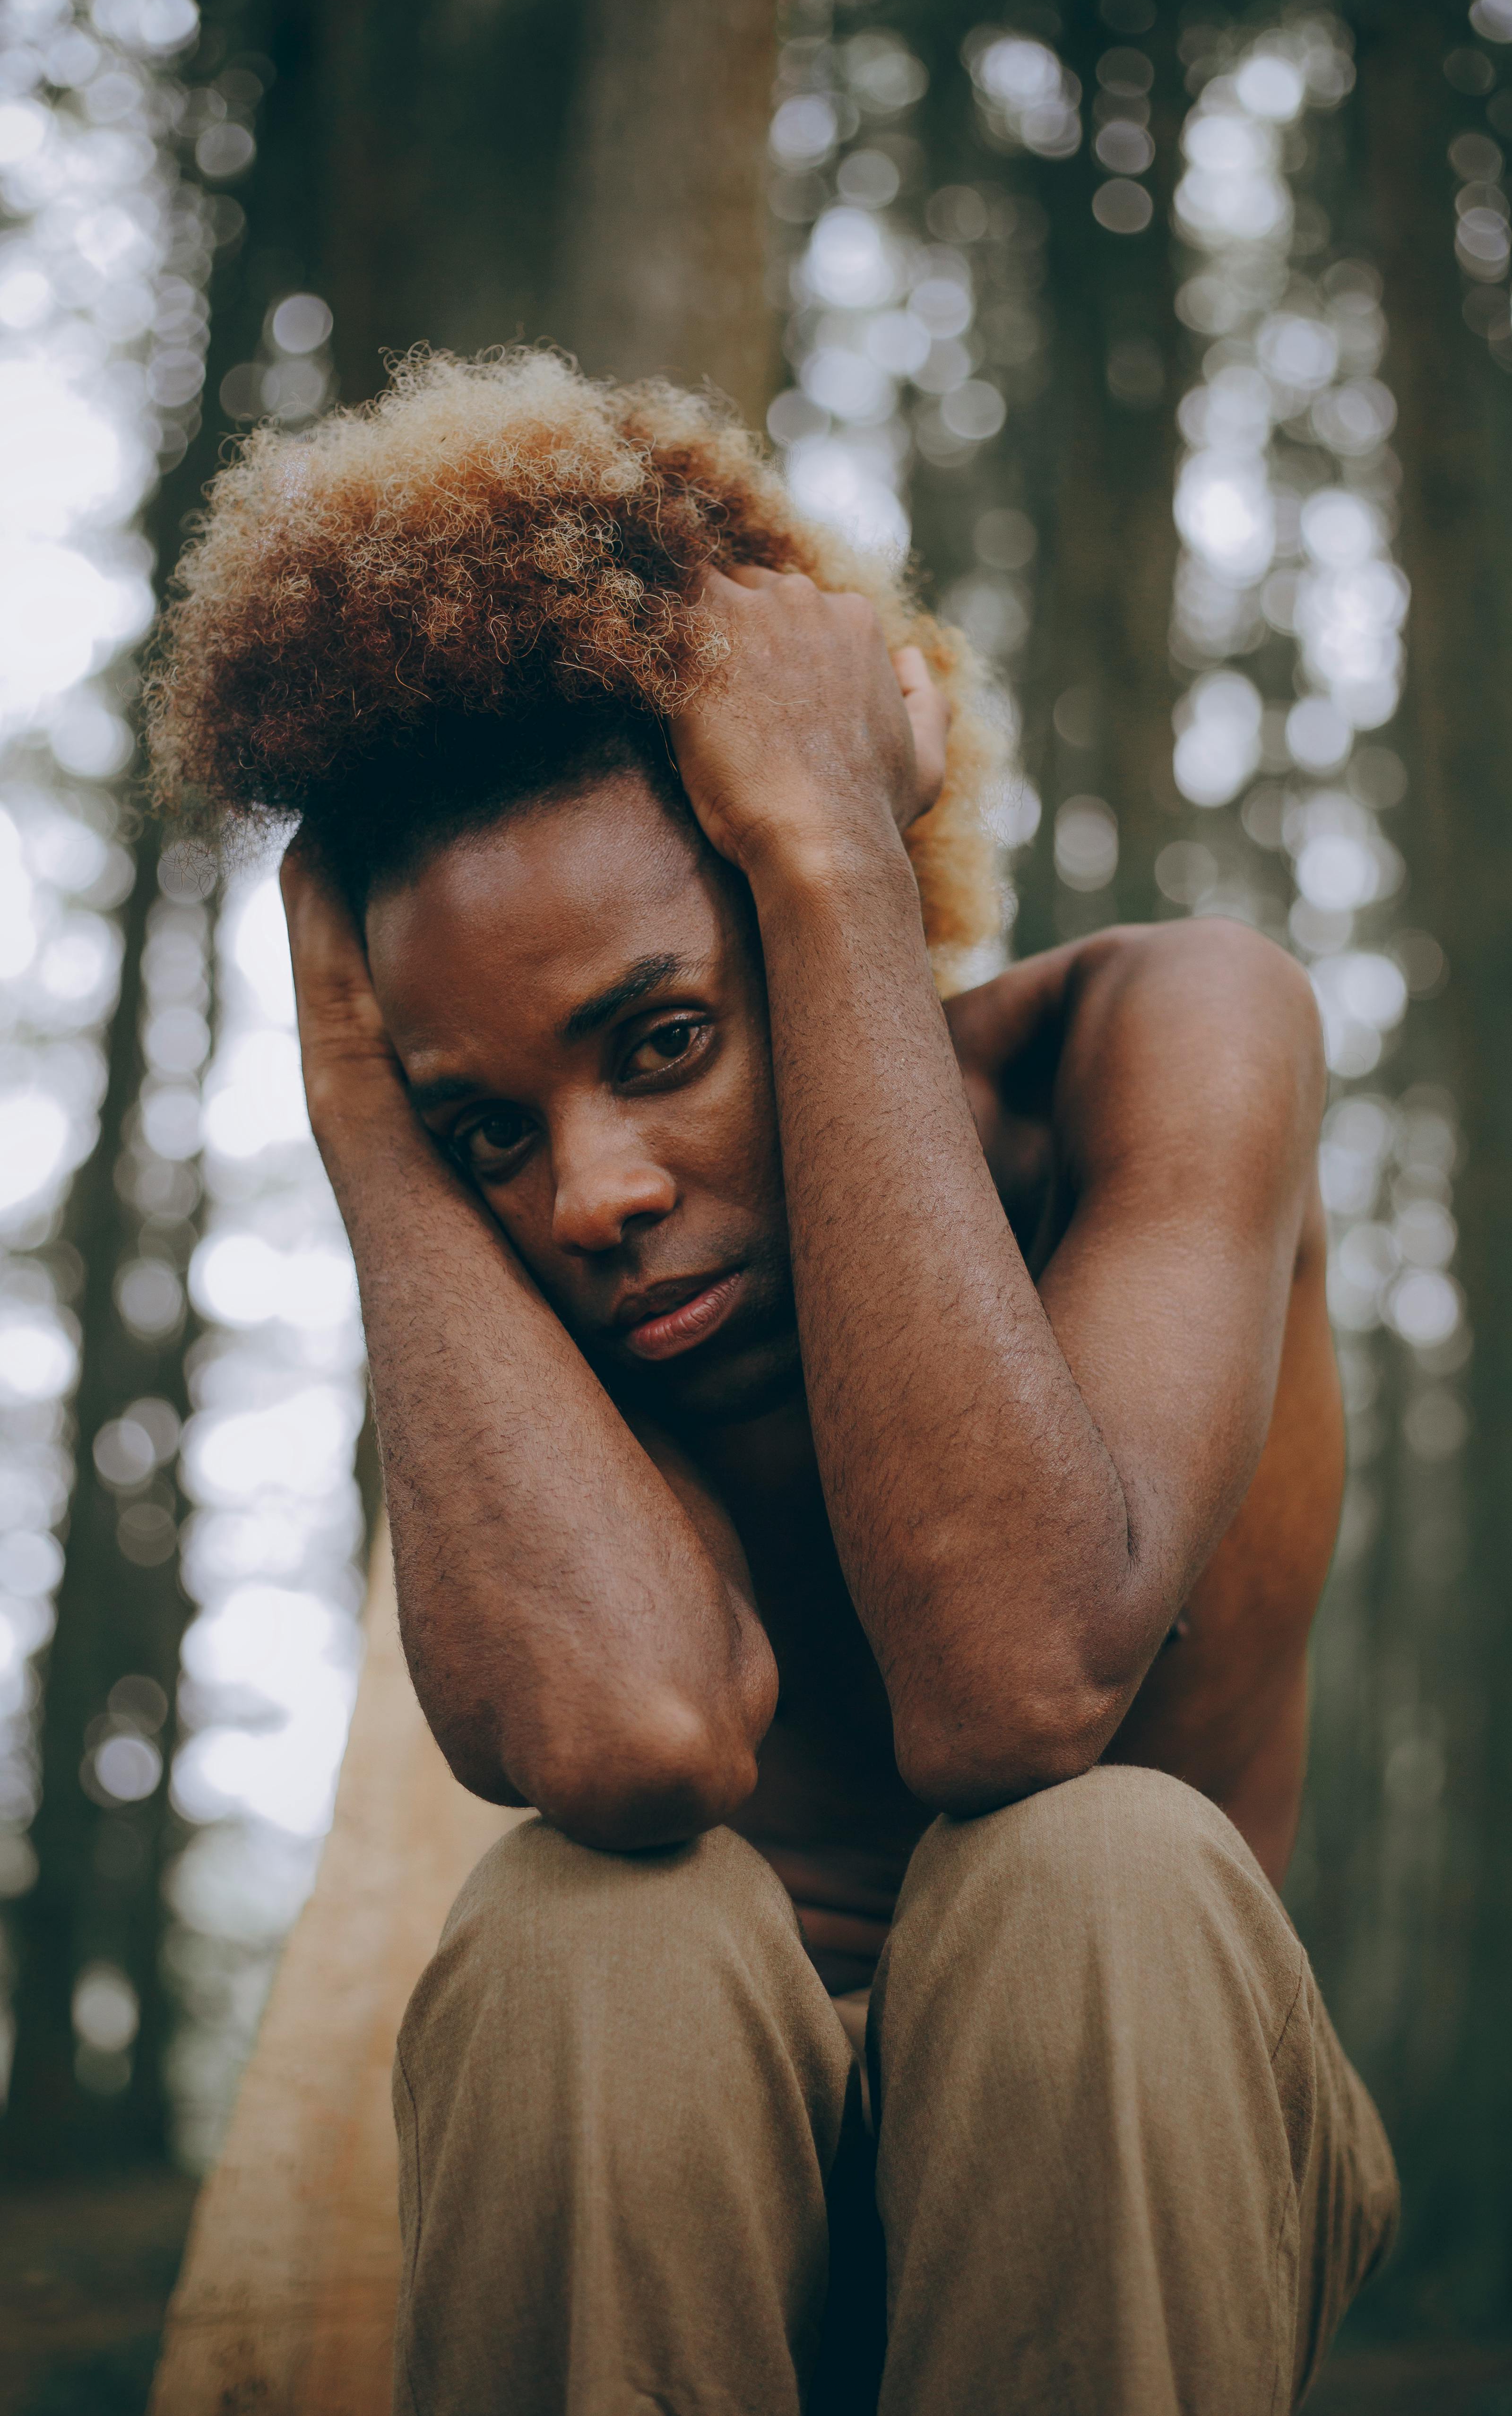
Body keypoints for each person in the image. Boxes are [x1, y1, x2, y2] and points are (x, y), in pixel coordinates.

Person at [149, 349, 1397, 2416]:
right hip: (666, 2196)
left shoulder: (1156, 1045)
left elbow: (1012, 1683)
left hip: (1130, 2156)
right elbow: (632, 1732)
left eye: (658, 1041)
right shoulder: (528, 1276)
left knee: (1091, 1869)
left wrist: (835, 854)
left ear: (796, 872)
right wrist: (368, 1120)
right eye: (490, 1127)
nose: (592, 1196)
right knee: (583, 1936)